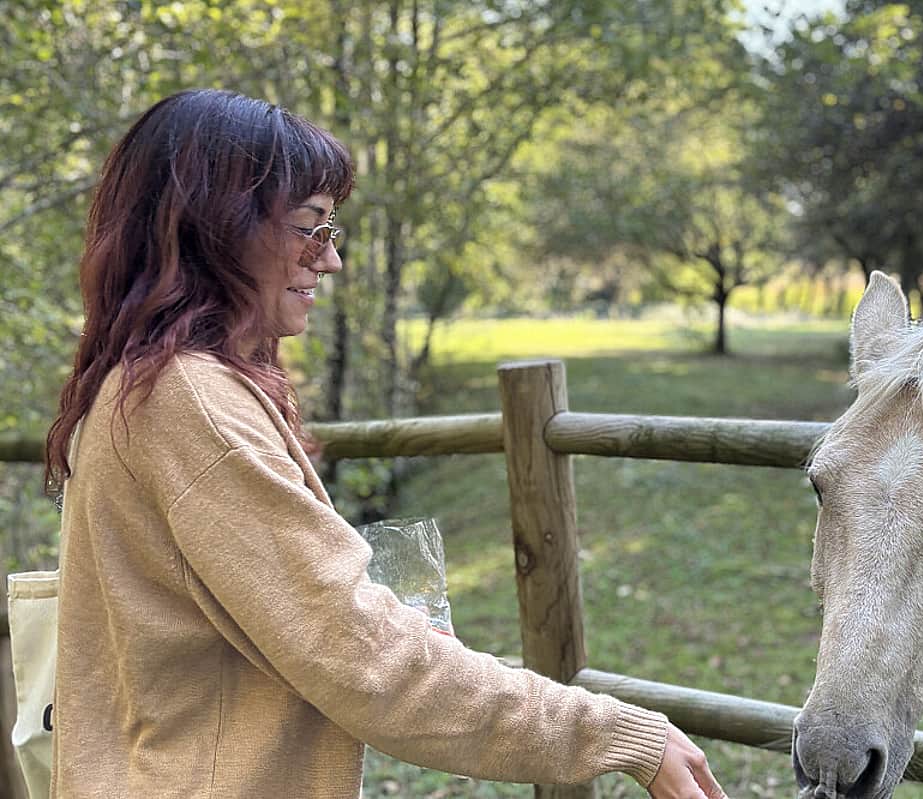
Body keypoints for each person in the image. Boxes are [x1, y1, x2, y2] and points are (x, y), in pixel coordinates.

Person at [42, 89, 727, 798]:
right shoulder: (190, 402)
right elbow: (362, 657)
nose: (329, 260)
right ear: (217, 229)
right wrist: (616, 733)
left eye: (330, 230)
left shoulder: (143, 383)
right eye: (309, 228)